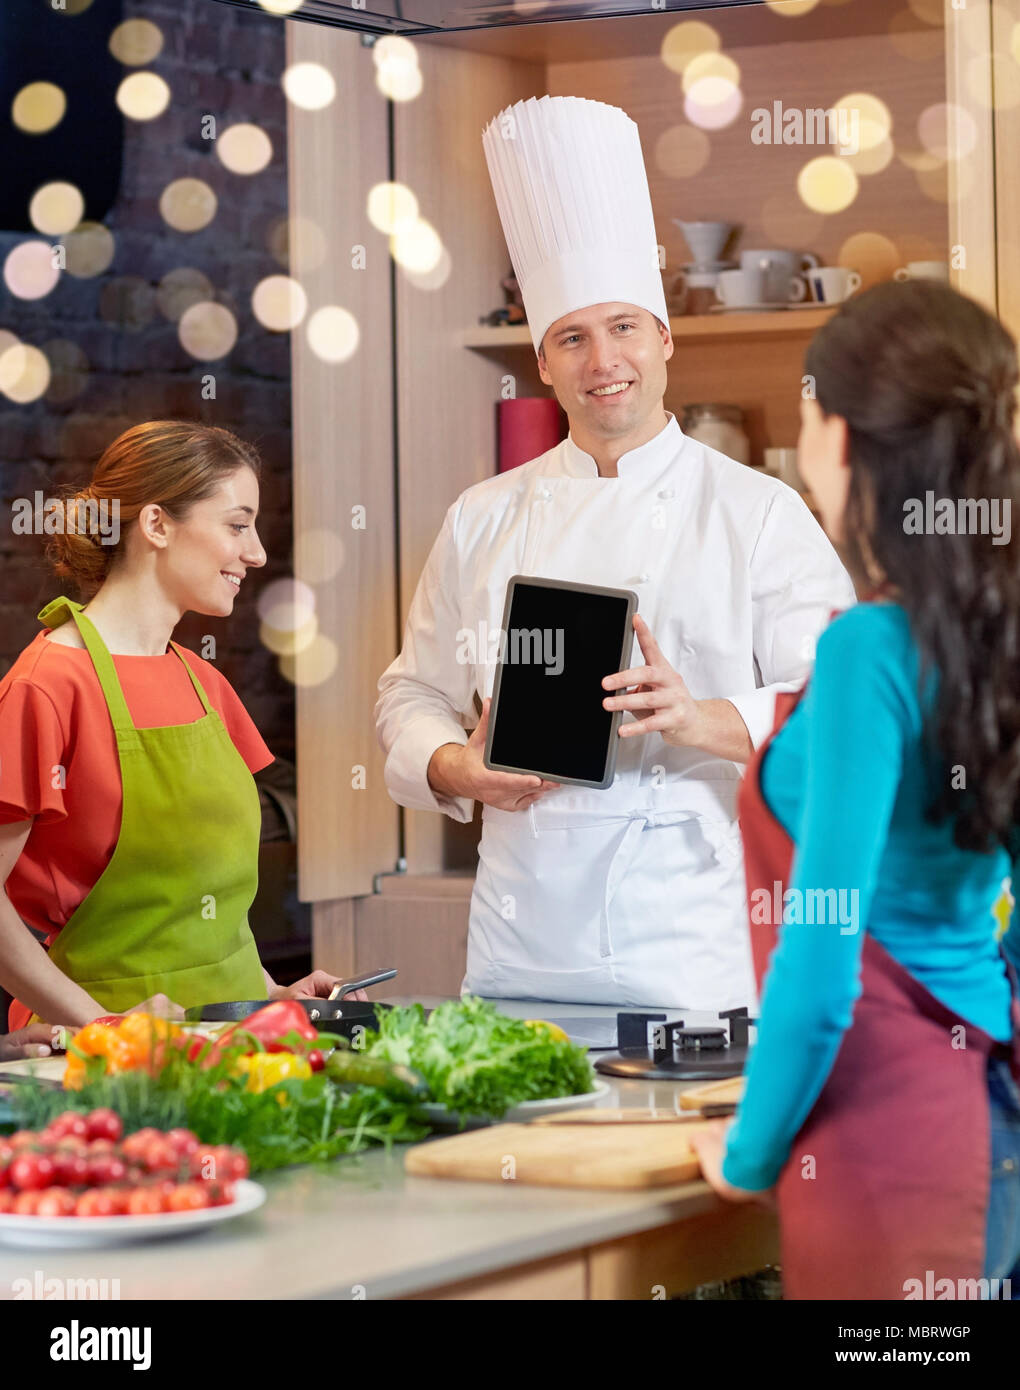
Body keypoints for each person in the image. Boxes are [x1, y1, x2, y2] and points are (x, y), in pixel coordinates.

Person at [375, 95, 854, 1010]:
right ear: (543, 362)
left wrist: (701, 714)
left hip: (695, 946)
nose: (605, 361)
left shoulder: (758, 511)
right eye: (573, 337)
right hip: (521, 945)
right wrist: (454, 767)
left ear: (666, 340)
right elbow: (412, 691)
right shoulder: (481, 516)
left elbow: (838, 709)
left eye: (625, 327)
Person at [692, 280, 1020, 1300]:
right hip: (987, 1111)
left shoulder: (867, 652)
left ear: (839, 437)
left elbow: (824, 955)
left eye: (804, 415)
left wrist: (746, 1153)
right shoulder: (991, 639)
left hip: (885, 1139)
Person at [0, 420, 367, 1028]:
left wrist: (272, 993)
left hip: (238, 1036)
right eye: (236, 524)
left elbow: (204, 909)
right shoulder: (47, 686)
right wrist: (99, 1028)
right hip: (108, 1061)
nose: (257, 553)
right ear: (156, 525)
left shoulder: (204, 683)